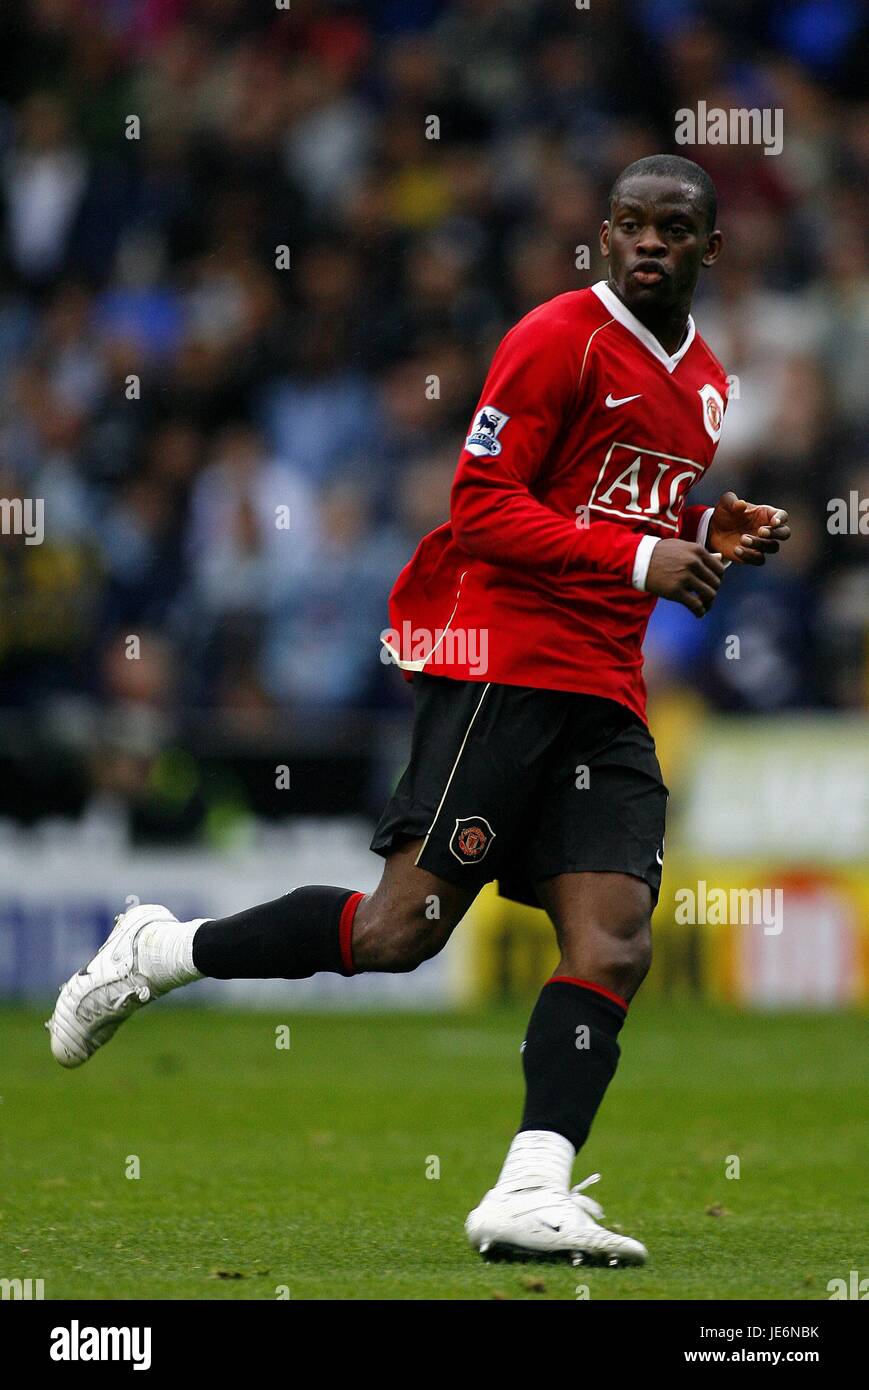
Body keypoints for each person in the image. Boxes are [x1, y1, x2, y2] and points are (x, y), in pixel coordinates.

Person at [47, 155, 790, 1268]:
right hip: (504, 665)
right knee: (402, 930)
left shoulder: (710, 385)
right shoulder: (554, 338)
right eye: (629, 224)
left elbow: (612, 499)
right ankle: (160, 948)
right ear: (601, 235)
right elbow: (482, 505)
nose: (647, 243)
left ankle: (527, 1188)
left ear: (709, 250)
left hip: (605, 690)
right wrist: (642, 552)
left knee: (615, 939)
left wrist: (701, 524)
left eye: (672, 230)